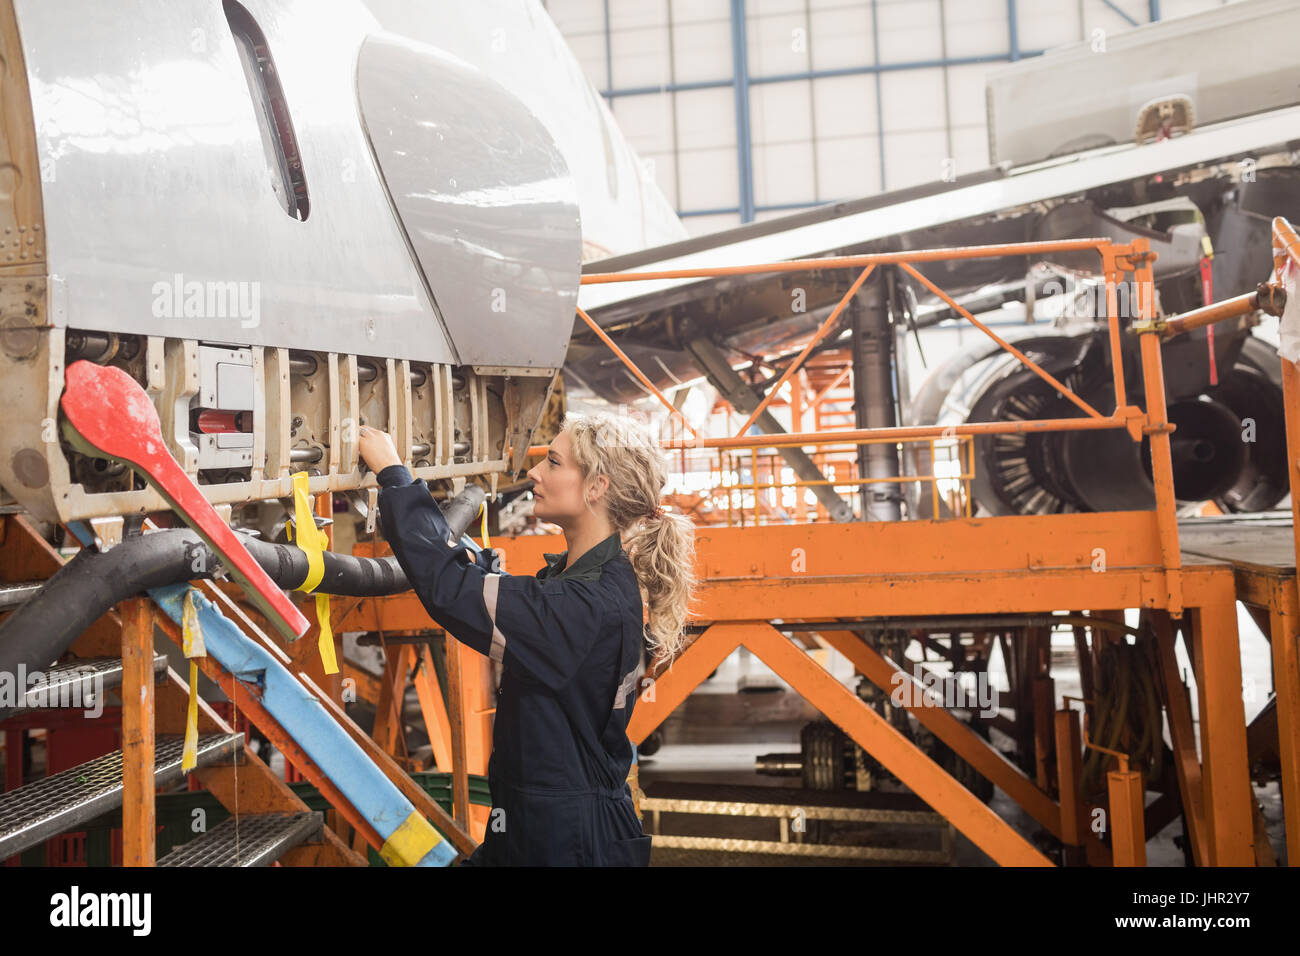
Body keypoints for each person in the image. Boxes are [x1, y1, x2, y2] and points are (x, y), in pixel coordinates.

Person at [357, 412, 695, 866]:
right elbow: (516, 602)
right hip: (541, 819)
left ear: (597, 487)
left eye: (553, 462)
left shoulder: (585, 605)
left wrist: (395, 475)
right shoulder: (592, 581)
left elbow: (449, 589)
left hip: (565, 837)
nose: (534, 473)